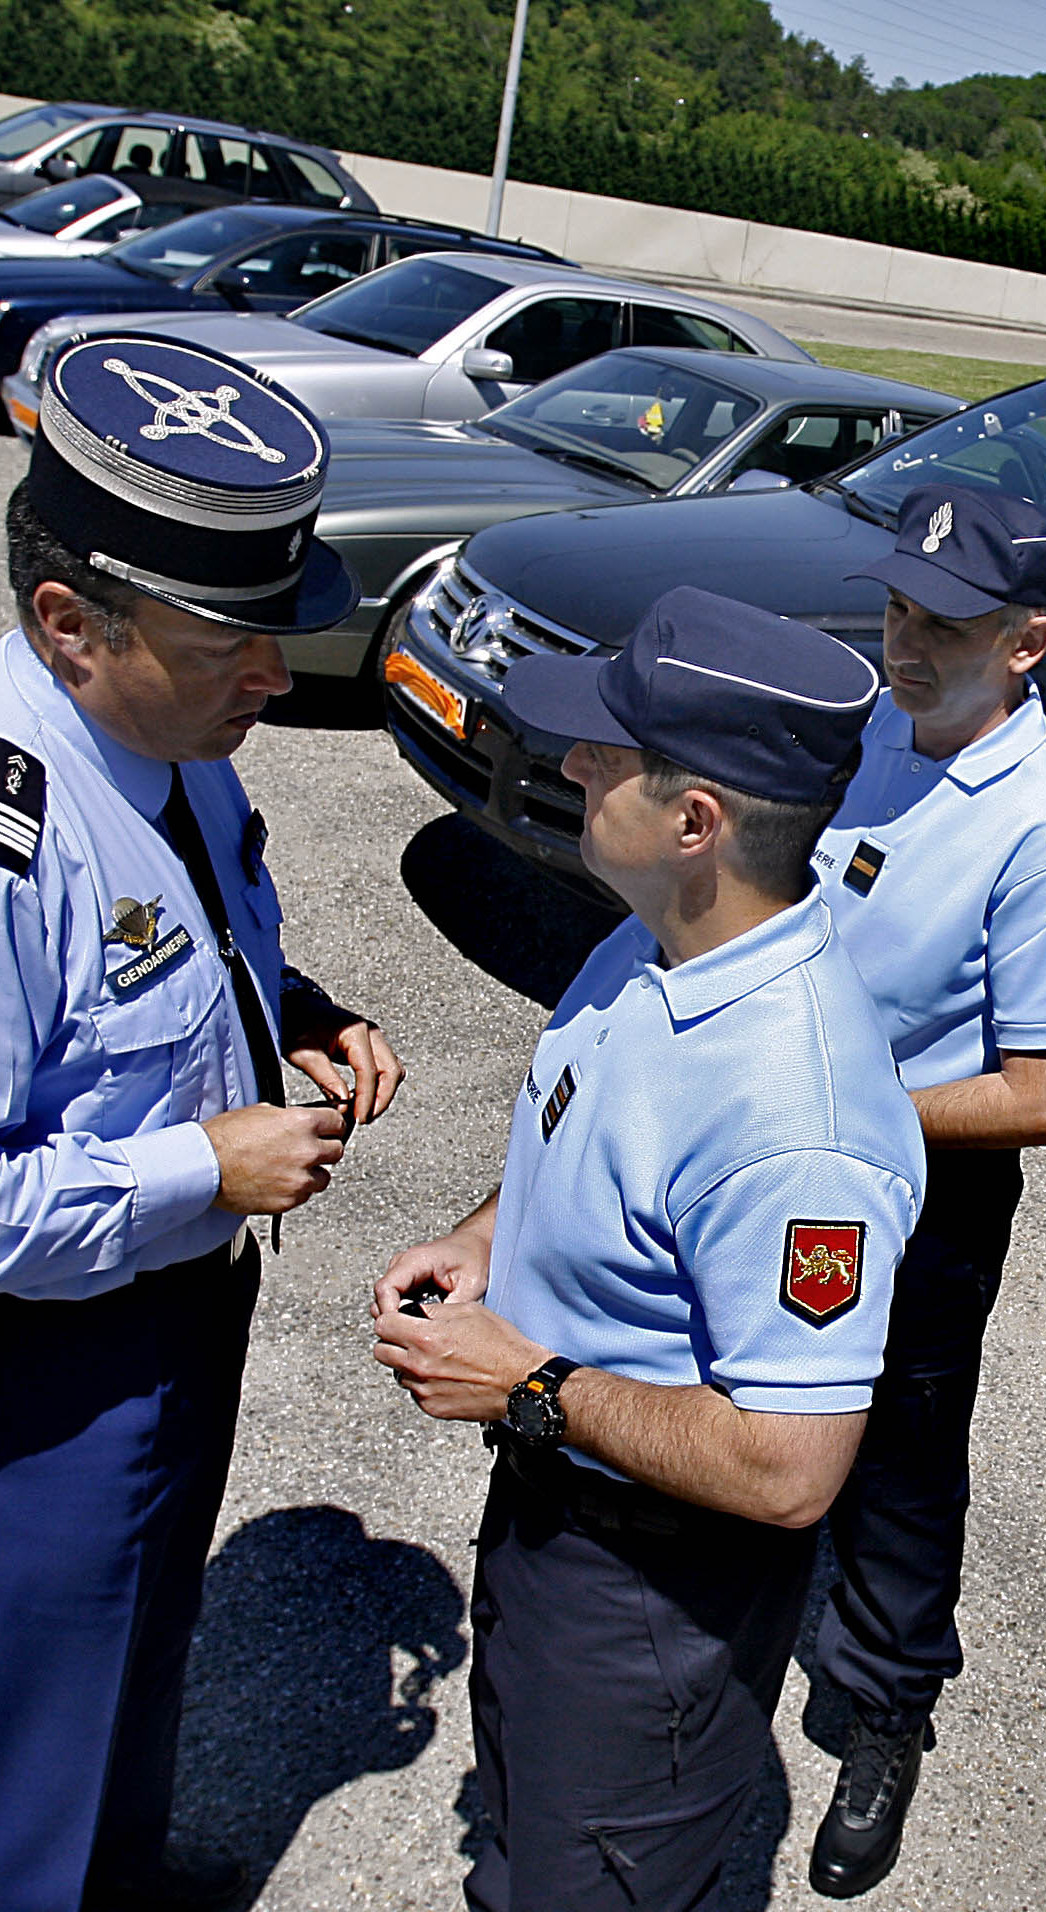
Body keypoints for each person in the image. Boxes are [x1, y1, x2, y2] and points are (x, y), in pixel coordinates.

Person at [369, 586, 927, 1912]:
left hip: (652, 1595)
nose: (570, 764)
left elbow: (792, 1469)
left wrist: (530, 1385)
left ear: (697, 822)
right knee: (525, 1840)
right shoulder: (661, 935)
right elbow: (601, 1144)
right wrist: (484, 1241)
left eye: (603, 754)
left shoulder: (801, 1125)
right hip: (557, 1521)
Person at [0, 334, 406, 1912]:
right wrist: (209, 1165)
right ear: (68, 623)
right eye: (230, 640)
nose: (275, 676)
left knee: (137, 1647)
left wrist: (289, 1008)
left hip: (172, 1315)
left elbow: (182, 919)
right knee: (43, 1701)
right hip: (53, 1361)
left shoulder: (169, 747)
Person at [805, 483, 1046, 1896]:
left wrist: (839, 1109)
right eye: (896, 609)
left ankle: (887, 1707)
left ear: (1030, 642)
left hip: (920, 1198)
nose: (904, 641)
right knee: (761, 1402)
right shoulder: (888, 720)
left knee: (896, 1464)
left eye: (943, 625)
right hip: (790, 1155)